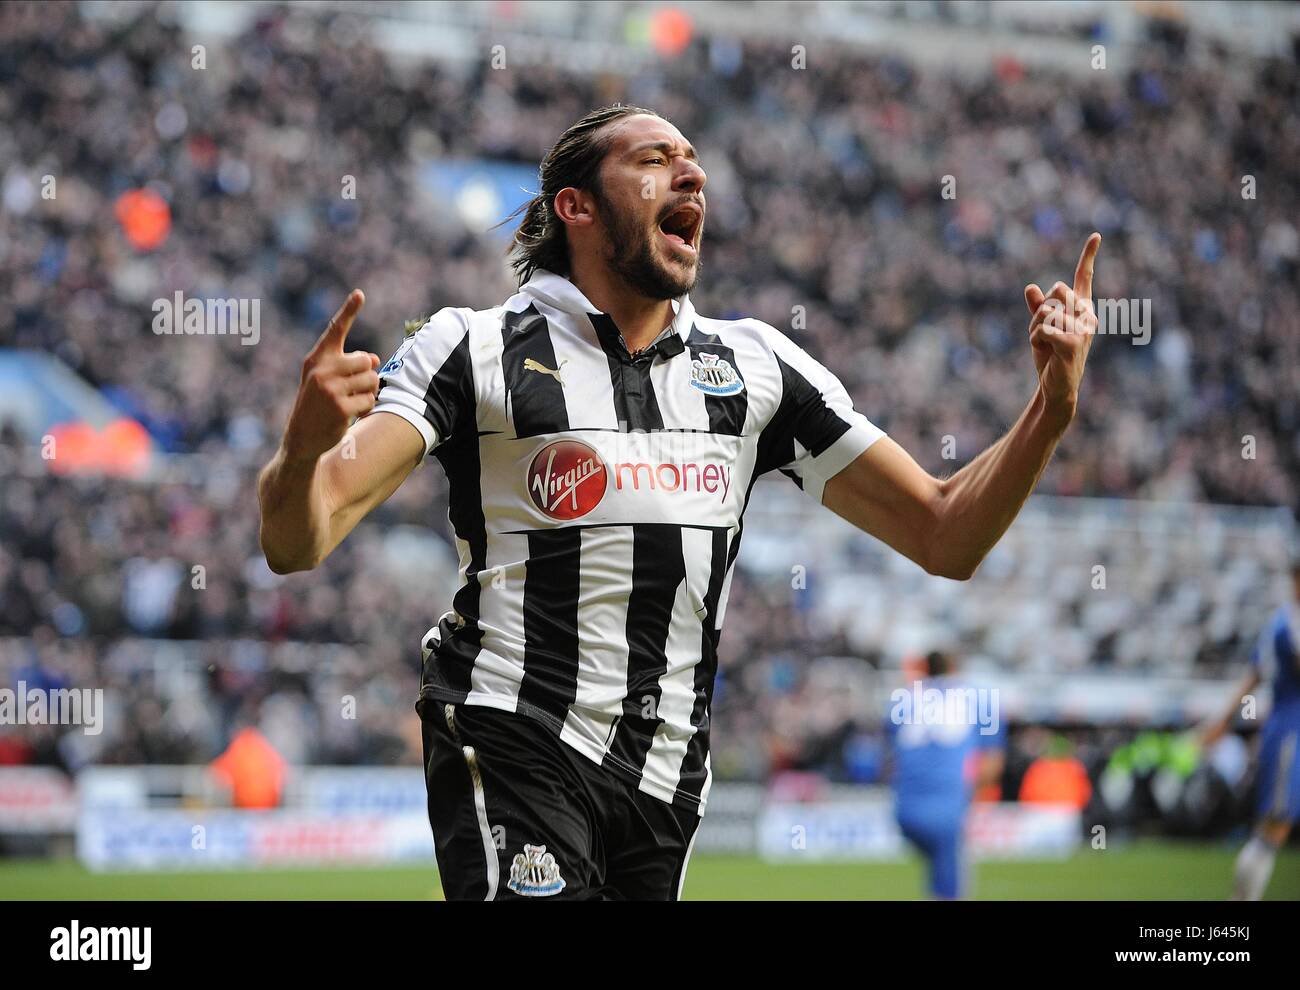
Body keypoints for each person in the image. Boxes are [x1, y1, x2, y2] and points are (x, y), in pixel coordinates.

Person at [256, 103, 1101, 900]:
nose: (691, 178)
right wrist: (303, 448)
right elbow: (300, 538)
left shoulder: (756, 367)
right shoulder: (471, 348)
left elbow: (944, 534)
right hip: (513, 729)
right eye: (656, 161)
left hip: (665, 777)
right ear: (576, 206)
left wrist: (1049, 416)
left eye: (694, 164)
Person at [1200, 552, 1300, 900]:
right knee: (1275, 826)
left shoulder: (1279, 622)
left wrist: (1221, 723)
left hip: (1283, 726)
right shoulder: (1292, 623)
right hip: (1291, 730)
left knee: (1275, 827)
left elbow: (1251, 680)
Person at [885, 650, 1005, 899]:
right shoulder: (980, 698)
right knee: (953, 884)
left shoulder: (902, 699)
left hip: (904, 809)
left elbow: (892, 758)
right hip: (947, 807)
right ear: (955, 668)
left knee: (938, 873)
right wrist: (965, 793)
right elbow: (991, 764)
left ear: (925, 669)